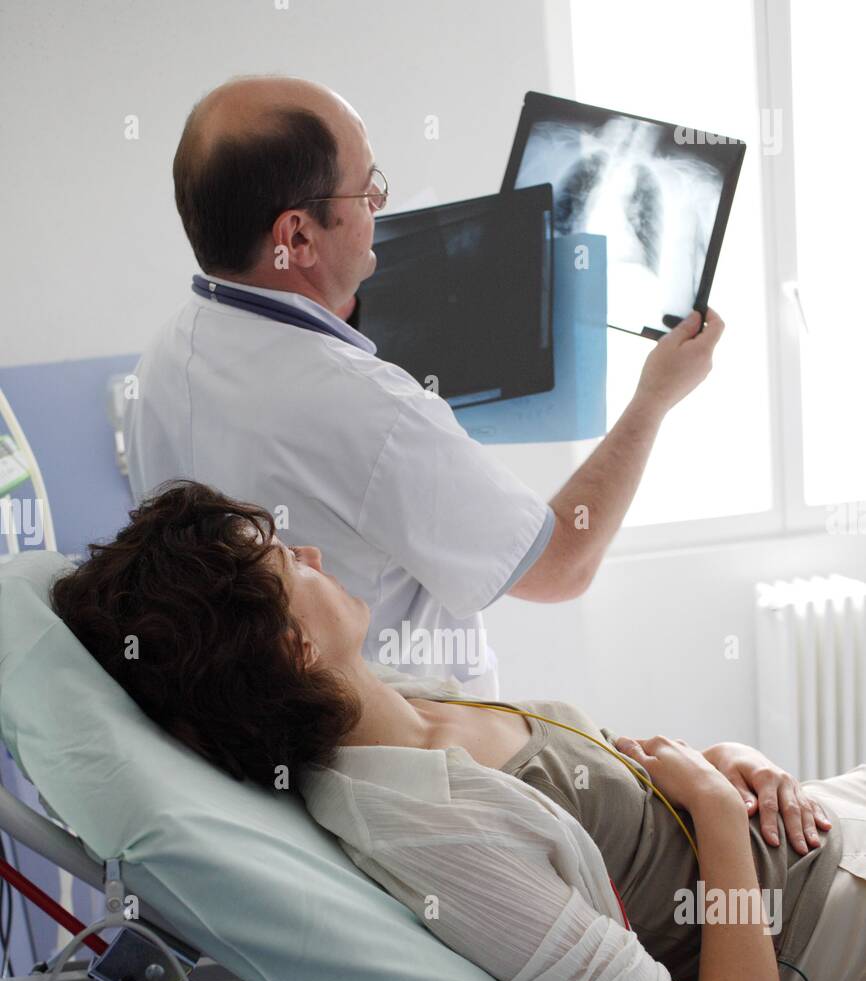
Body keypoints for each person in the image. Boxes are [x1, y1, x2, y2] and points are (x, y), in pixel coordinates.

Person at [50, 482, 866, 981]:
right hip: (833, 937)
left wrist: (735, 765)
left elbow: (642, 790)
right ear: (292, 644)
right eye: (285, 562)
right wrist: (720, 816)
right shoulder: (439, 841)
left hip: (819, 828)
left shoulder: (409, 707)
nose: (311, 552)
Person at [124, 74, 724, 699]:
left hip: (257, 731)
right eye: (367, 188)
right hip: (408, 755)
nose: (379, 204)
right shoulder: (375, 410)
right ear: (298, 237)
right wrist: (653, 400)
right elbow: (560, 568)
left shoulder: (163, 358)